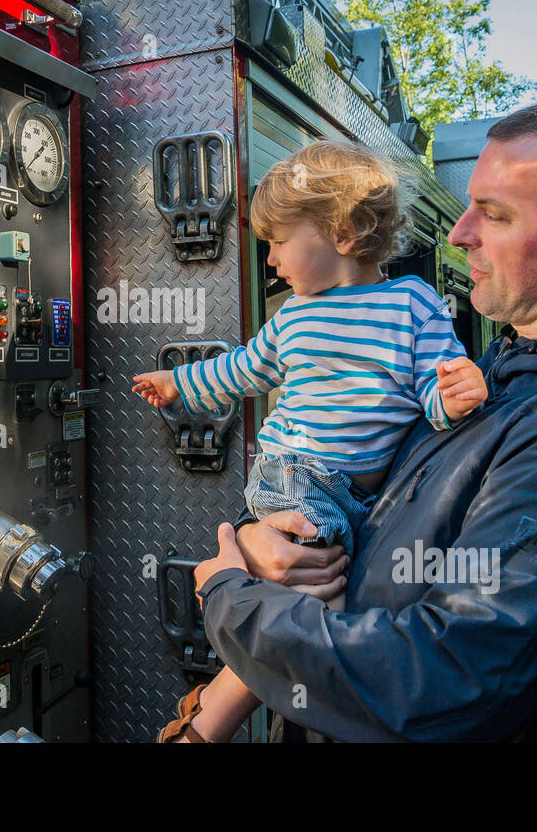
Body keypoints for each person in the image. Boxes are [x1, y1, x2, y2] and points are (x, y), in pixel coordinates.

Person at [188, 97, 537, 742]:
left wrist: (232, 594)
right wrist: (273, 546)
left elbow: (437, 683)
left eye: (494, 213)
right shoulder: (500, 384)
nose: (458, 234)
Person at [130, 140, 487, 742]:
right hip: (295, 474)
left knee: (313, 603)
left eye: (277, 240)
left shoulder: (414, 305)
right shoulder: (294, 316)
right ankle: (211, 725)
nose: (270, 260)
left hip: (359, 494)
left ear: (344, 233)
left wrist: (453, 396)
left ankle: (210, 715)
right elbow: (241, 371)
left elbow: (433, 389)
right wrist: (180, 384)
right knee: (320, 604)